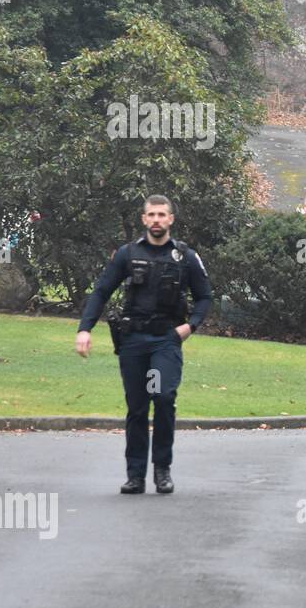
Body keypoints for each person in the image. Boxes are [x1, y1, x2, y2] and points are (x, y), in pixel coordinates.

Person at [75, 195, 212, 494]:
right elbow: (101, 291)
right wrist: (85, 329)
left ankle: (162, 469)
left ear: (171, 219)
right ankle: (135, 475)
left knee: (162, 398)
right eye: (151, 215)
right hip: (133, 340)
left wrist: (191, 326)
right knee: (137, 408)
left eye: (162, 215)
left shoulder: (186, 257)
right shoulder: (127, 253)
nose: (157, 220)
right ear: (143, 219)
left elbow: (205, 296)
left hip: (166, 340)